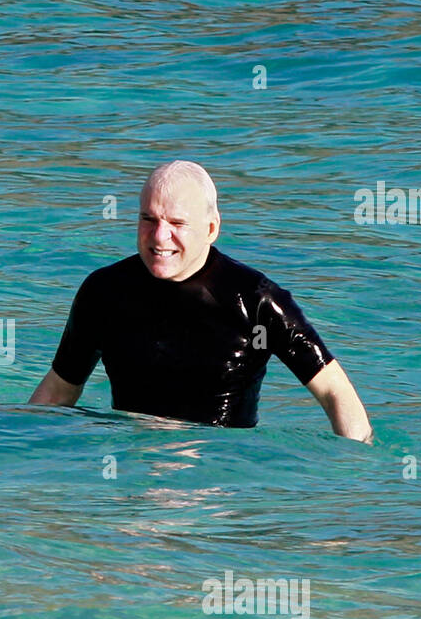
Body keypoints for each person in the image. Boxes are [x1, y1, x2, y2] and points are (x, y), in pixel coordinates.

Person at [28, 160, 372, 442]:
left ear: (211, 228)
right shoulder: (104, 291)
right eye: (148, 219)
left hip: (219, 466)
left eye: (177, 223)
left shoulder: (256, 301)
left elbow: (334, 392)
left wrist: (354, 479)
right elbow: (58, 392)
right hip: (131, 454)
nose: (160, 236)